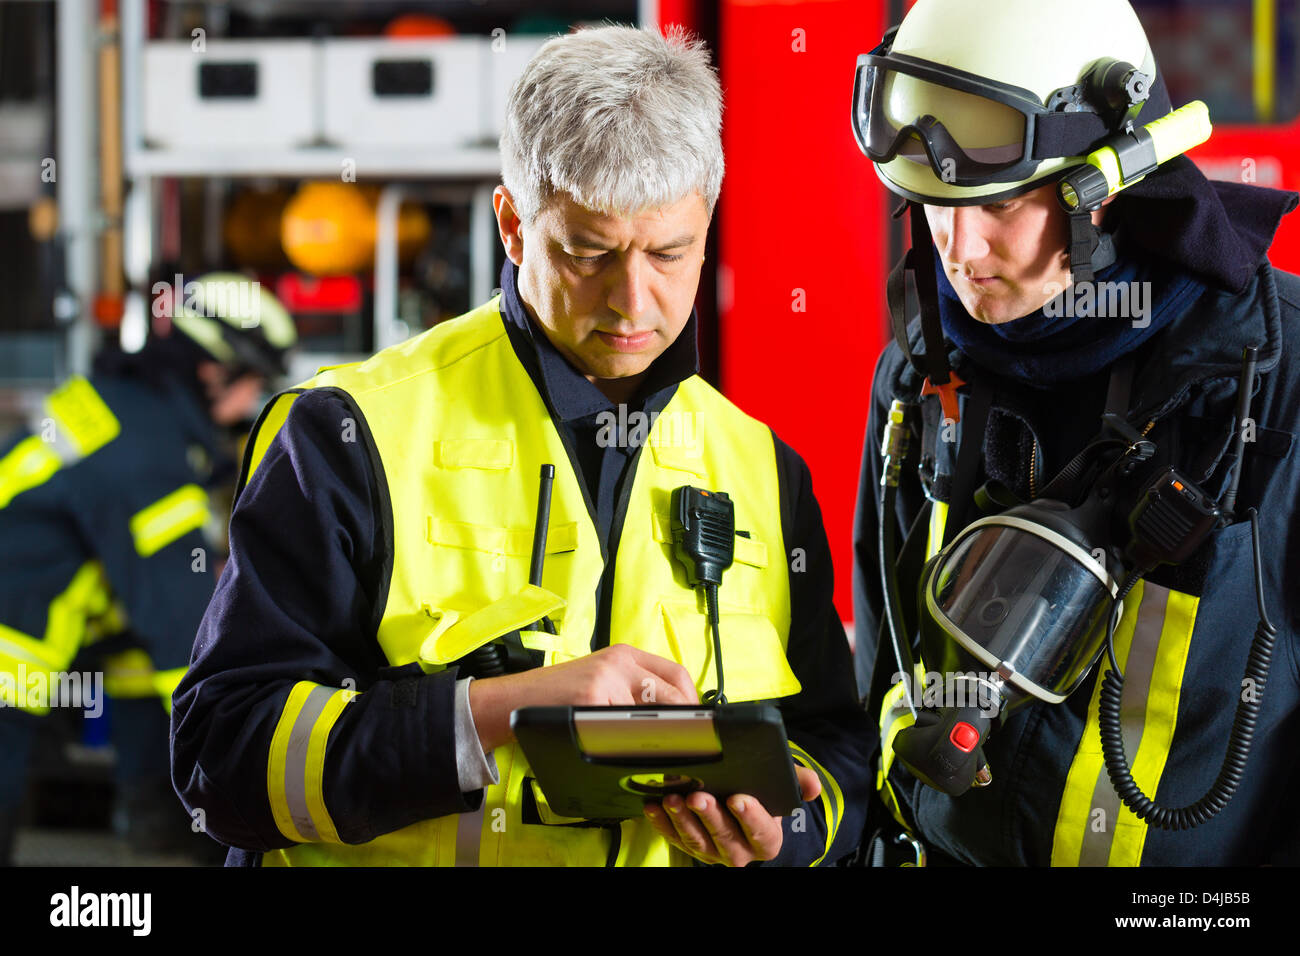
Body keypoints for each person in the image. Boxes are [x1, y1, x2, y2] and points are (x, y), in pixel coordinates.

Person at [171, 25, 871, 868]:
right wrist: (491, 713)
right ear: (512, 224)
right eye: (588, 252)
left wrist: (785, 833)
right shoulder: (349, 436)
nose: (630, 302)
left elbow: (836, 751)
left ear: (708, 222)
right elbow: (224, 759)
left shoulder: (763, 470)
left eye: (669, 253)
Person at [850, 0, 1300, 866]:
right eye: (931, 206)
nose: (958, 248)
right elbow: (885, 672)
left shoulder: (1273, 379)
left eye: (1001, 205)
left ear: (1110, 182)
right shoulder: (919, 373)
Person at [0, 272, 296, 864]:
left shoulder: (120, 409)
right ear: (214, 369)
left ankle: (147, 802)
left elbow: (145, 614)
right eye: (255, 381)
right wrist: (247, 756)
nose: (251, 404)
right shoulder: (152, 458)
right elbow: (176, 620)